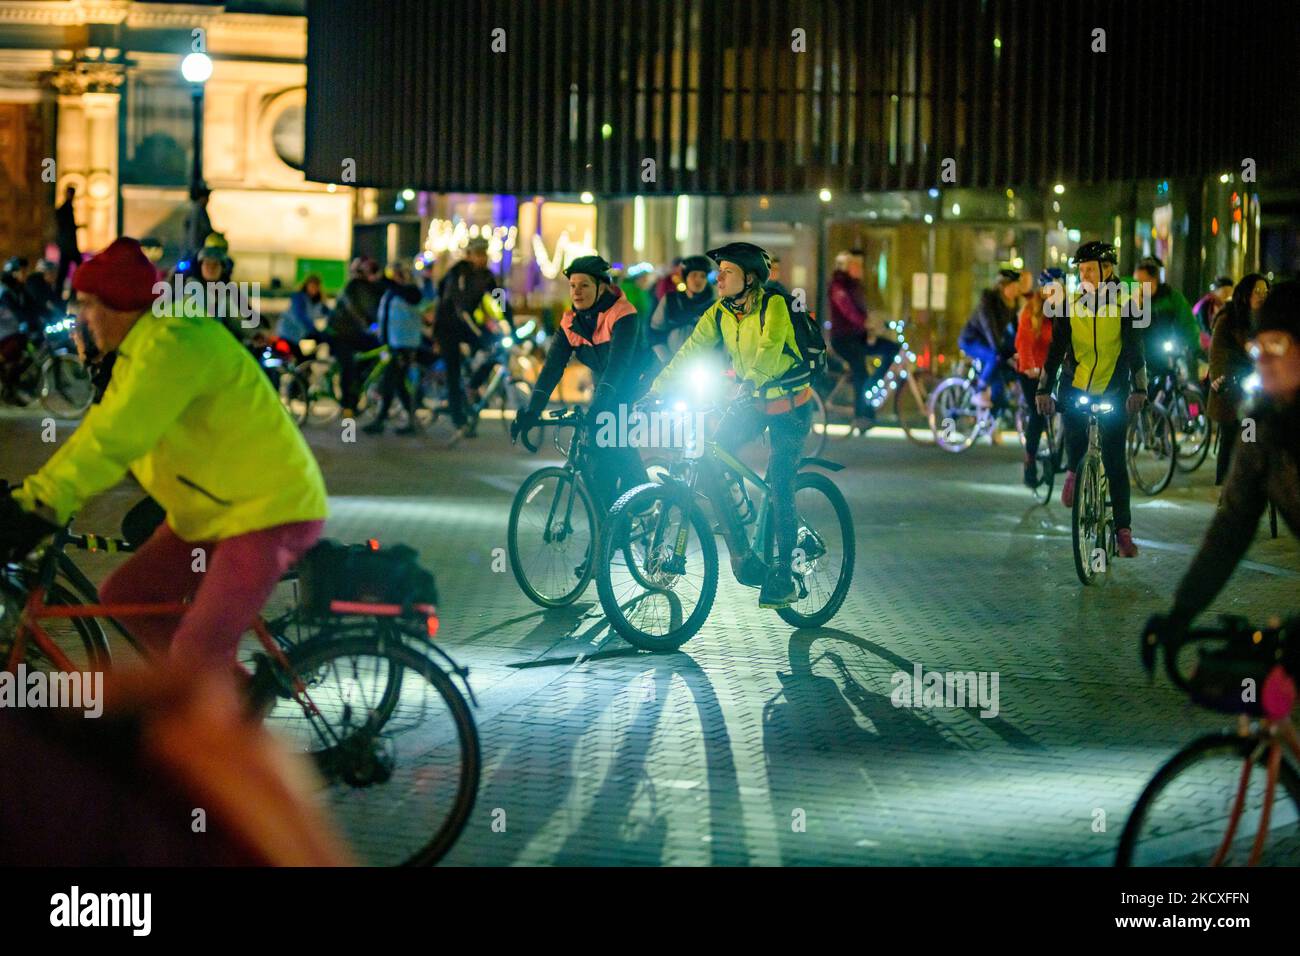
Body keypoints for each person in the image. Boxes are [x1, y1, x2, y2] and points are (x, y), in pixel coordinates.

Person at [0, 237, 328, 676]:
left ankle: (225, 728)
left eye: (88, 304)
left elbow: (115, 439)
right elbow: (100, 429)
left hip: (267, 510)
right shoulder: (140, 346)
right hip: (212, 510)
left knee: (198, 648)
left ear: (118, 306)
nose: (81, 317)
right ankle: (213, 699)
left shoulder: (172, 344)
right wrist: (32, 496)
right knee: (128, 596)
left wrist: (44, 504)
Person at [648, 242, 812, 610]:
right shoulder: (721, 311)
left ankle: (784, 574)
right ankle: (744, 547)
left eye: (727, 272)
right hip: (752, 401)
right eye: (717, 271)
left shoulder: (775, 305)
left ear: (749, 278)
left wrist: (750, 382)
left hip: (789, 406)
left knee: (779, 484)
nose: (717, 277)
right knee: (711, 454)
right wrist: (656, 389)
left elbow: (770, 350)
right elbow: (690, 349)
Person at [1149, 280, 1300, 636]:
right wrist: (1181, 614)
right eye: (1258, 346)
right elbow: (1231, 527)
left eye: (1277, 344)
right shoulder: (1263, 425)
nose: (1264, 358)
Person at [1036, 240, 1147, 558]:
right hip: (1077, 383)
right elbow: (1056, 350)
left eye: (1089, 269)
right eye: (1080, 270)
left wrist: (1140, 390)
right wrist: (1043, 389)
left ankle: (1123, 530)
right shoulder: (1069, 305)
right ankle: (1074, 469)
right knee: (1072, 421)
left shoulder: (1127, 303)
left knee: (1114, 459)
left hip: (1114, 389)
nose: (1083, 275)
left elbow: (1134, 349)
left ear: (1107, 269)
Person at [510, 255, 649, 505]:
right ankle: (606, 534)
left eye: (584, 285)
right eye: (573, 286)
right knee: (598, 466)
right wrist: (532, 410)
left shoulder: (623, 314)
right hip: (606, 385)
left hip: (637, 384)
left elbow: (619, 366)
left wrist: (598, 408)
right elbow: (552, 368)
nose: (577, 292)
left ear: (602, 286)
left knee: (615, 440)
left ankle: (646, 500)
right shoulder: (571, 322)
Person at [1208, 273, 1270, 485]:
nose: (1262, 296)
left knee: (1252, 430)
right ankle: (1225, 484)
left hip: (1258, 382)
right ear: (1245, 295)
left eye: (1265, 291)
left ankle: (1251, 477)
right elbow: (1217, 352)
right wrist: (1219, 377)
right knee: (1231, 431)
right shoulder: (1228, 319)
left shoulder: (1269, 320)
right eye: (1257, 291)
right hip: (1232, 382)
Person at [434, 237, 498, 435]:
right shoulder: (459, 273)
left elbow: (499, 299)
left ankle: (471, 388)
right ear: (469, 255)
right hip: (448, 326)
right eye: (478, 254)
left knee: (496, 351)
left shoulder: (487, 276)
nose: (483, 258)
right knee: (453, 370)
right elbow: (458, 304)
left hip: (469, 326)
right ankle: (458, 418)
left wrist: (506, 322)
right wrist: (477, 329)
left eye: (485, 254)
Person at [363, 262, 426, 436]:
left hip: (405, 345)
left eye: (399, 274)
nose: (397, 278)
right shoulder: (392, 292)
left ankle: (381, 420)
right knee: (397, 384)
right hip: (393, 344)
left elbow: (406, 295)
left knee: (390, 382)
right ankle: (412, 422)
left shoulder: (412, 292)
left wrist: (385, 279)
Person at [1015, 268, 1059, 486]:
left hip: (1053, 370)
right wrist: (1031, 367)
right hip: (1031, 371)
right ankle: (1030, 460)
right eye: (1049, 289)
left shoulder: (1065, 310)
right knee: (1038, 413)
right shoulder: (1031, 310)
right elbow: (1023, 343)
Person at [959, 267, 1022, 413]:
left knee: (999, 383)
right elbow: (989, 326)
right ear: (1002, 287)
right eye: (1013, 287)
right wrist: (998, 349)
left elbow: (1016, 330)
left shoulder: (1012, 304)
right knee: (994, 357)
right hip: (971, 341)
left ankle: (991, 425)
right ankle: (979, 388)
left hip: (990, 342)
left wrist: (1020, 349)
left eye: (1017, 287)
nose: (1016, 291)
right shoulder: (988, 300)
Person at [329, 257, 385, 416]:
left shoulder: (371, 287)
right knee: (348, 367)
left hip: (355, 334)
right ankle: (347, 406)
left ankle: (357, 390)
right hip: (340, 333)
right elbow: (356, 309)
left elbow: (374, 309)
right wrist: (370, 325)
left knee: (374, 353)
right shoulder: (353, 286)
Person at [1133, 255, 1202, 385]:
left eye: (1144, 281)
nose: (1140, 286)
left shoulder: (1172, 298)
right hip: (1140, 353)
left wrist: (1193, 347)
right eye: (1137, 282)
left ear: (1155, 280)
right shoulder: (1131, 298)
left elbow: (1187, 323)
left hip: (1164, 353)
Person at [648, 253, 715, 366]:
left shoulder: (714, 306)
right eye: (694, 275)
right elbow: (655, 331)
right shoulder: (670, 300)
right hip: (670, 362)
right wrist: (665, 359)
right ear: (685, 278)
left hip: (701, 366)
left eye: (702, 276)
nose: (698, 280)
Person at [277, 273, 329, 361]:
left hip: (299, 335)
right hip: (288, 333)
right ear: (306, 286)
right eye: (311, 286)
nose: (313, 289)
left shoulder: (318, 302)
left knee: (306, 356)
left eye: (316, 286)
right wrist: (314, 330)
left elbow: (328, 313)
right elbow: (300, 316)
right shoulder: (299, 298)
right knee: (298, 359)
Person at [1193, 276, 1235, 351]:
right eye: (1225, 292)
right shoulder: (1204, 305)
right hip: (1202, 347)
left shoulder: (1230, 306)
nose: (1228, 295)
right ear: (1215, 292)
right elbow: (1204, 325)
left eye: (1231, 293)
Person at [54, 184, 81, 297]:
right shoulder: (65, 208)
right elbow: (64, 226)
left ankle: (69, 292)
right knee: (68, 270)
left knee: (65, 270)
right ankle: (70, 293)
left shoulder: (67, 207)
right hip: (68, 245)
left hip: (67, 245)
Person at [184, 185, 214, 259]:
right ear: (202, 198)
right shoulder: (199, 210)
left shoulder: (194, 208)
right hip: (198, 248)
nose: (208, 200)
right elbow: (205, 228)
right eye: (207, 197)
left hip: (192, 248)